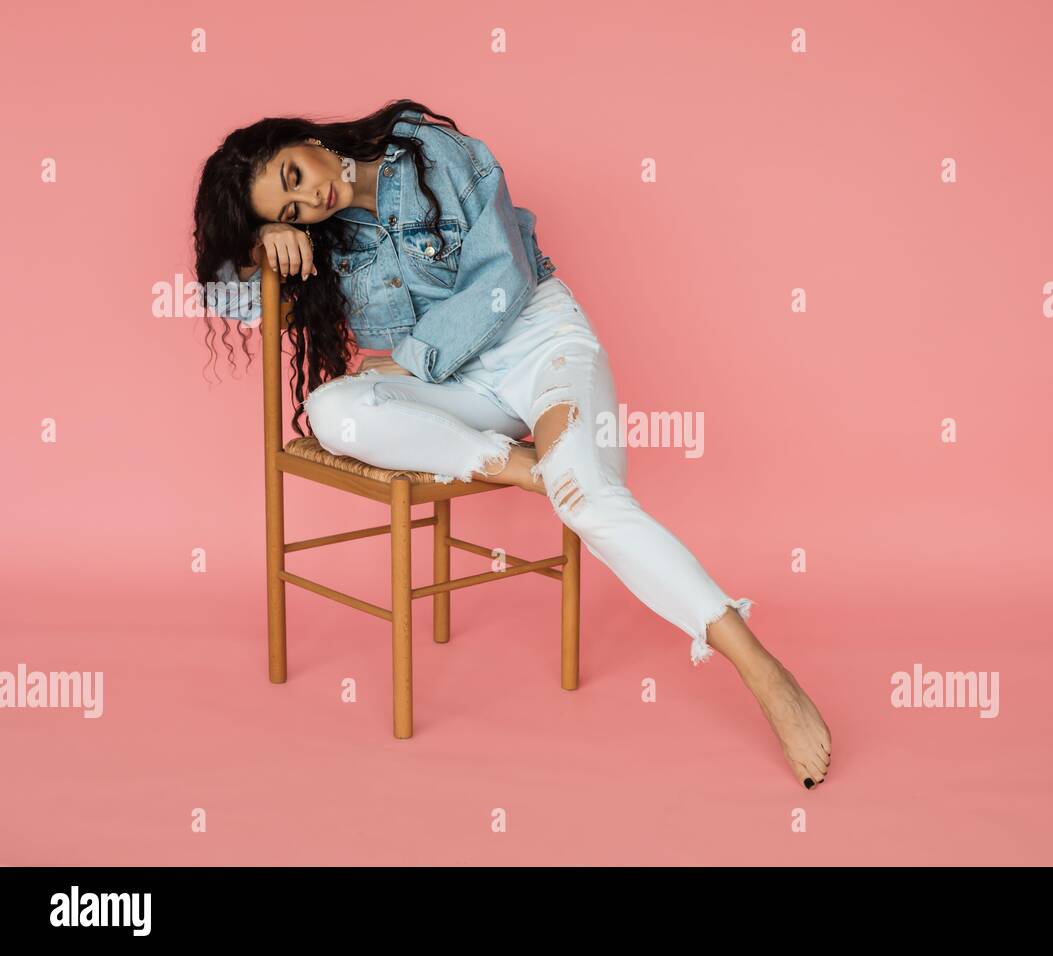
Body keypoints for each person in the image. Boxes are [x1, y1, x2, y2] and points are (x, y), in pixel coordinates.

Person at [193, 99, 831, 788]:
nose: (309, 199)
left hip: (540, 347)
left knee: (587, 499)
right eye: (291, 211)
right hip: (463, 393)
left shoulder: (429, 155)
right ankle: (531, 470)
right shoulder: (328, 234)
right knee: (332, 410)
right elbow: (222, 298)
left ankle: (760, 668)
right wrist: (264, 247)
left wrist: (412, 357)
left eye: (293, 175)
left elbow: (504, 280)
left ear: (308, 139)